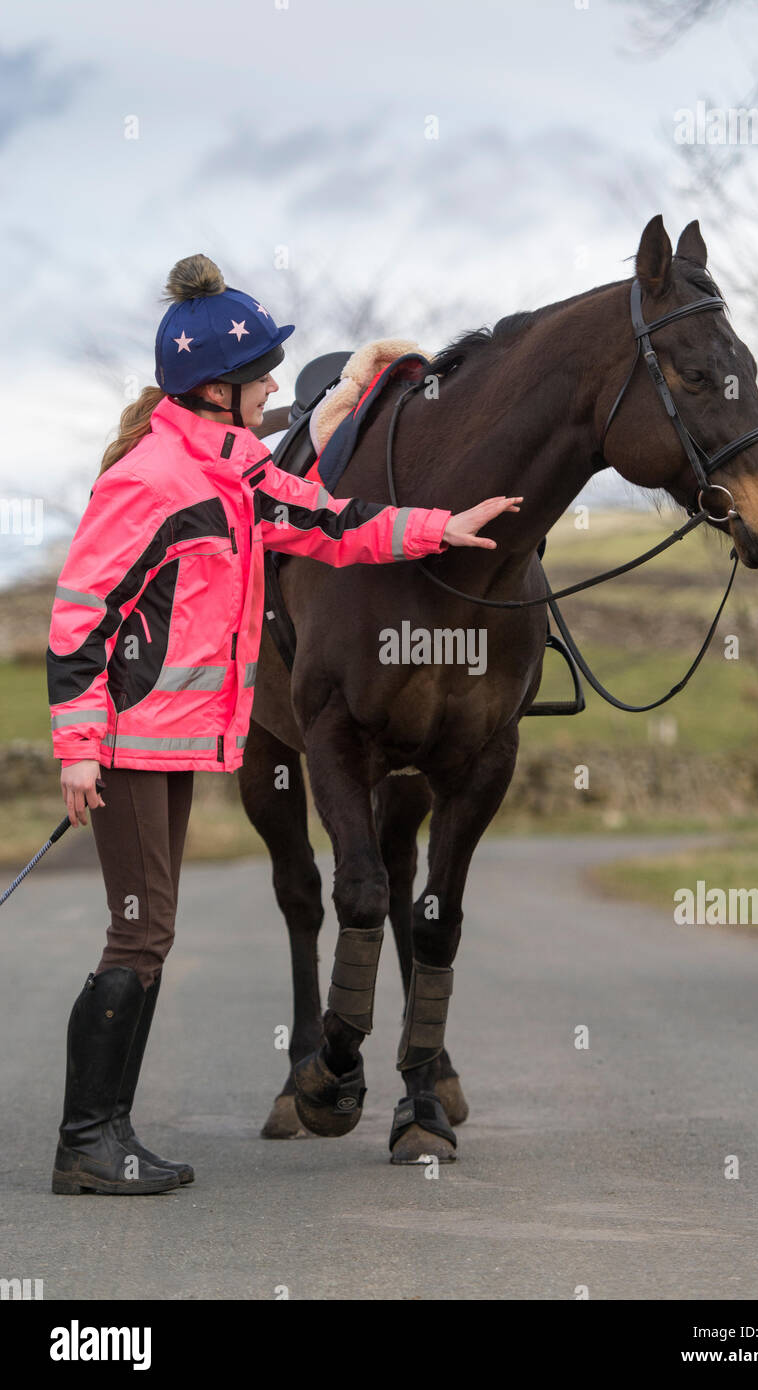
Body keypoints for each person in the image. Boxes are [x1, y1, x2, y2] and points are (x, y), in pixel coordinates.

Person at [46, 254, 522, 1196]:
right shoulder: (151, 479)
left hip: (172, 738)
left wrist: (440, 527)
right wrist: (78, 745)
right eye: (262, 376)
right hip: (130, 741)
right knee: (139, 936)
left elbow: (334, 523)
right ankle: (89, 1142)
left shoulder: (238, 473)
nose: (275, 389)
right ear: (217, 389)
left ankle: (99, 1136)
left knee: (149, 933)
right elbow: (78, 615)